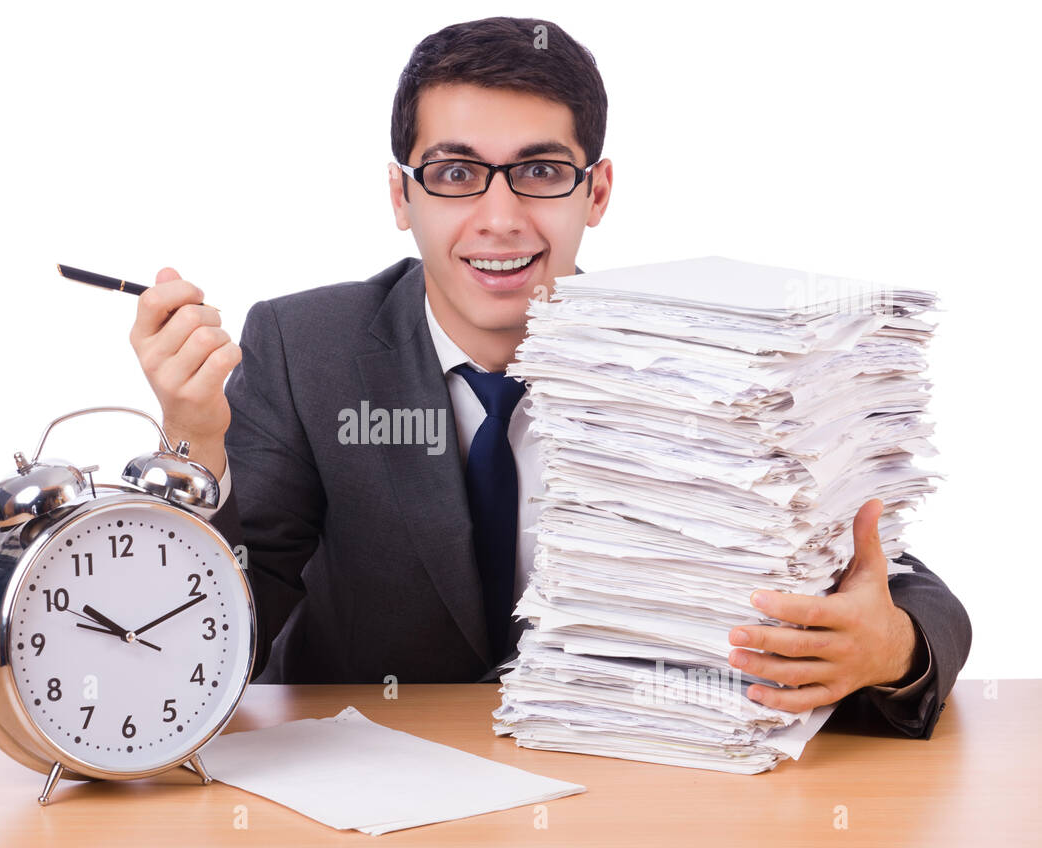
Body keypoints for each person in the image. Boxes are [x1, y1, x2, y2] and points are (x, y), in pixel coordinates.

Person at [129, 16, 971, 740]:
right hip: (364, 796)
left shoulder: (687, 360)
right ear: (401, 194)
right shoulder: (304, 346)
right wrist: (195, 448)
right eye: (455, 173)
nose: (499, 217)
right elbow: (216, 623)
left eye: (539, 171)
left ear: (595, 190)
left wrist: (891, 646)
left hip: (618, 790)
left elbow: (891, 581)